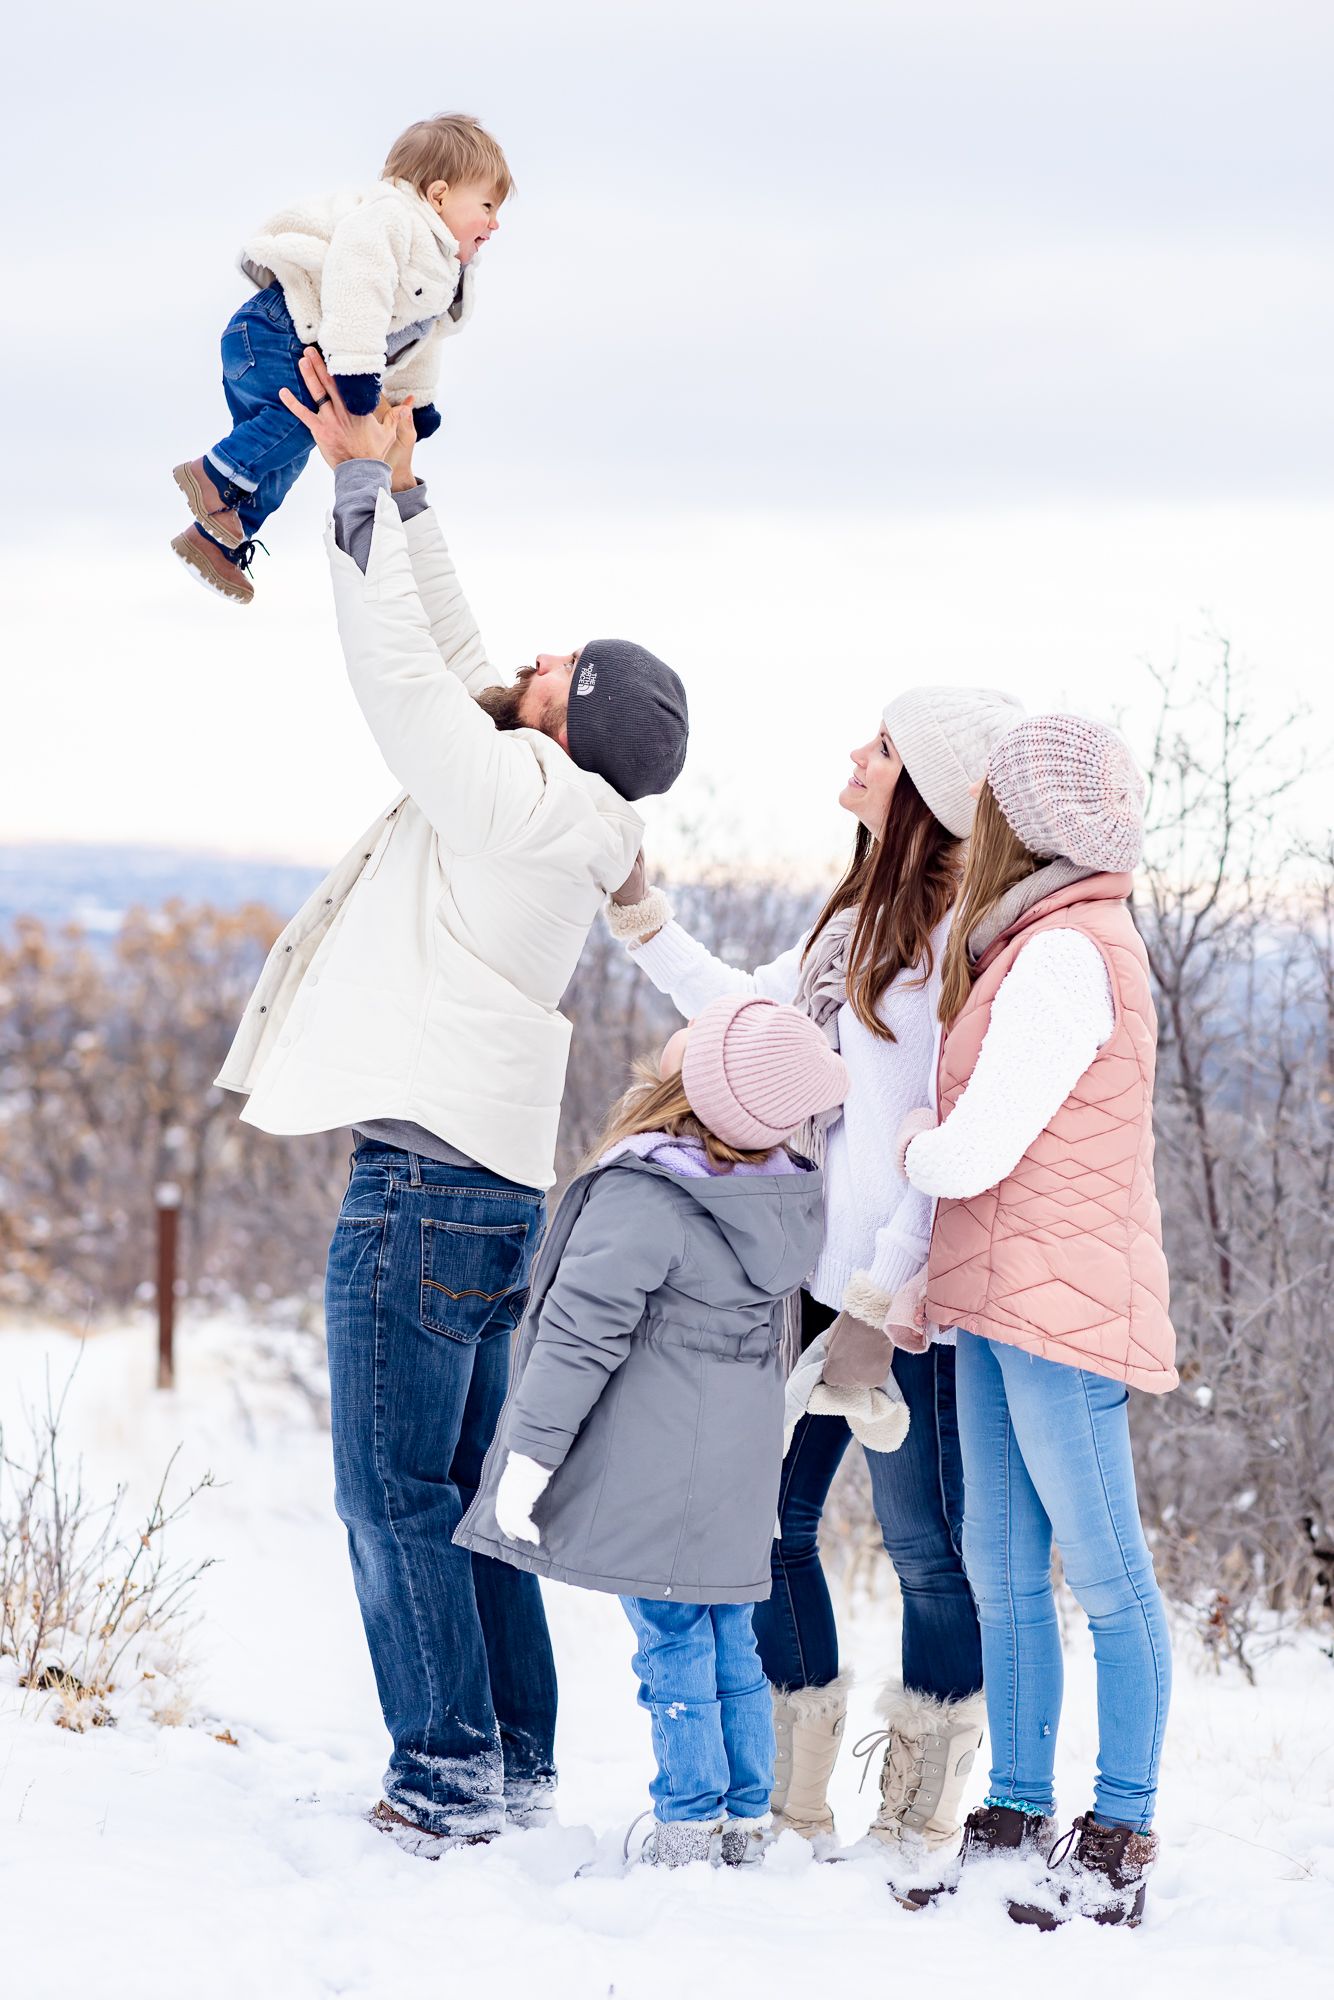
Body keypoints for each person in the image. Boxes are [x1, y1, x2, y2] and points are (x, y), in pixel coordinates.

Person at [214, 358, 689, 1854]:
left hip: (424, 1190)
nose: (536, 662)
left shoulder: (523, 799)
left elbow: (406, 686)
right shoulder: (557, 799)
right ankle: (513, 1759)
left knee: (387, 1493)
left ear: (568, 728)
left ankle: (441, 1778)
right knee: (472, 1496)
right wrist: (405, 487)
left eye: (560, 675)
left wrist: (351, 492)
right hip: (478, 1193)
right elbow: (468, 655)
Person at [608, 686, 1022, 1875]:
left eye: (880, 747)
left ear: (931, 790)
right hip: (799, 1282)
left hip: (903, 1300)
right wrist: (642, 919)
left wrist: (882, 1300)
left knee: (926, 1548)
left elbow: (939, 1136)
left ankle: (917, 1806)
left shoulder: (960, 943)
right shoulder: (855, 921)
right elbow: (752, 1015)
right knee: (763, 1527)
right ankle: (793, 1792)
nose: (854, 754)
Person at [455, 994, 848, 1868]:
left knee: (672, 1645)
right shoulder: (784, 1197)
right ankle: (746, 1819)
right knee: (729, 1640)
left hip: (660, 1469)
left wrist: (525, 1462)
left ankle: (686, 1826)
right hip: (741, 1470)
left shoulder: (650, 1197)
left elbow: (573, 1342)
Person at [900, 713, 1175, 1928]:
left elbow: (974, 1146)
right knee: (1002, 1572)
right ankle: (1014, 1812)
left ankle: (1116, 1830)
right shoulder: (1035, 940)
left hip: (1055, 1316)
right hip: (999, 1305)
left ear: (1026, 821)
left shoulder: (1067, 953)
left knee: (1107, 1578)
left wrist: (905, 1146)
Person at [172, 114, 510, 604]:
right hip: (276, 331)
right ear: (438, 195)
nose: (495, 223)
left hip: (289, 346)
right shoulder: (393, 219)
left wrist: (412, 403)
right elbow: (358, 286)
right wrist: (355, 371)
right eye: (486, 206)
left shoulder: (446, 270)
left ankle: (215, 538)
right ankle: (213, 473)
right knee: (306, 423)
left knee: (287, 456)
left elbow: (417, 339)